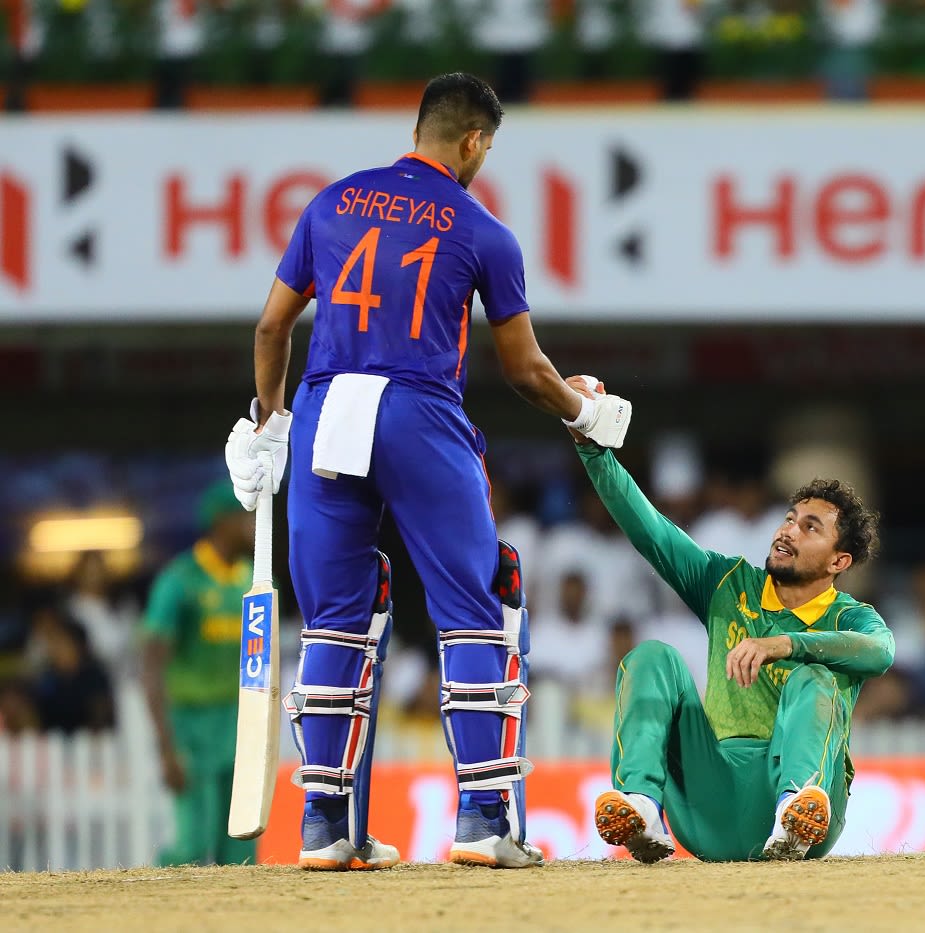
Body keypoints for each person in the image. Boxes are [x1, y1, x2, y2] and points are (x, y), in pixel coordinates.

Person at [223, 73, 630, 871]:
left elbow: (273, 326)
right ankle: (483, 818)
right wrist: (582, 410)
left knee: (338, 615)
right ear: (476, 141)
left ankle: (325, 827)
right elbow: (522, 368)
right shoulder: (483, 230)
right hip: (417, 410)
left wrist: (269, 424)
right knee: (481, 600)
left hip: (326, 409)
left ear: (420, 128)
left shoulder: (332, 203)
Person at [566, 379, 893, 862]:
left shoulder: (851, 617)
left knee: (814, 677)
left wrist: (786, 644)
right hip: (710, 804)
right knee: (651, 656)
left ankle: (792, 808)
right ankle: (642, 804)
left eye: (810, 527)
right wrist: (595, 453)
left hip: (806, 820)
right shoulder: (727, 585)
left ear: (839, 561)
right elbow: (648, 528)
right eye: (789, 517)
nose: (787, 530)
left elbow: (881, 652)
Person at [141, 483, 257, 866]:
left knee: (240, 847)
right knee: (193, 845)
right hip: (192, 725)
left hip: (240, 724)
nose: (255, 525)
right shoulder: (180, 580)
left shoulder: (251, 579)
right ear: (223, 522)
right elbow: (151, 666)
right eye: (247, 516)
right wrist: (166, 748)